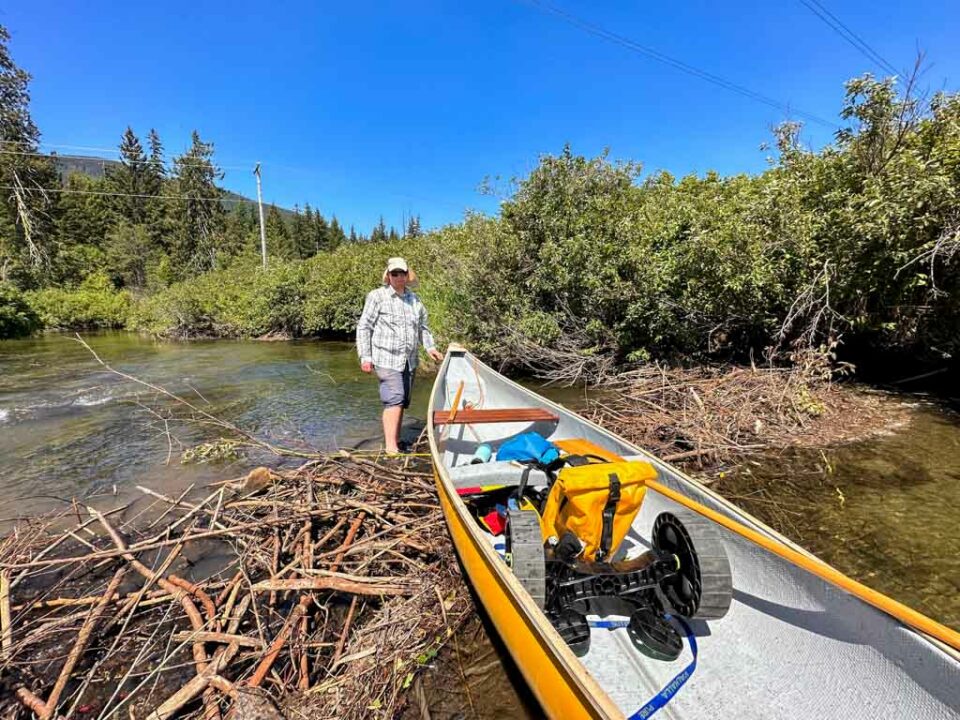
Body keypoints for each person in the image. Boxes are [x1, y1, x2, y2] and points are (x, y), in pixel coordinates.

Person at [356, 257, 443, 454]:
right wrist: (365, 357)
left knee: (402, 401)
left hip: (409, 360)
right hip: (385, 358)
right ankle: (391, 448)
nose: (398, 277)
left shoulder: (415, 300)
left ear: (407, 275)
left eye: (402, 273)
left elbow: (423, 328)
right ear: (388, 276)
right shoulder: (377, 296)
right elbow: (364, 327)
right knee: (394, 398)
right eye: (394, 273)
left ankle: (396, 439)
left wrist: (430, 348)